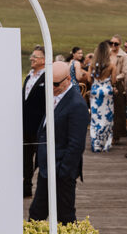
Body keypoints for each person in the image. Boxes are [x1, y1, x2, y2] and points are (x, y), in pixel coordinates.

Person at [29, 61, 89, 224]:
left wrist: (63, 172)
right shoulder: (53, 97)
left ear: (68, 79)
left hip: (61, 171)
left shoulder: (76, 105)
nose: (52, 87)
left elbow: (76, 145)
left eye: (55, 84)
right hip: (46, 168)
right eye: (48, 83)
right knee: (36, 212)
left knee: (65, 216)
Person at [22, 45, 46, 197]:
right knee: (25, 157)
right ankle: (26, 186)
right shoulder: (29, 76)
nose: (32, 58)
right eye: (32, 56)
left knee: (41, 157)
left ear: (43, 60)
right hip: (25, 125)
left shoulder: (47, 78)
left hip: (39, 125)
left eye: (35, 57)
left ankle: (43, 189)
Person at [88, 40, 115, 152]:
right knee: (107, 118)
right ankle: (106, 144)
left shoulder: (92, 65)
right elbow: (113, 80)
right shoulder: (111, 65)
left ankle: (96, 143)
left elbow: (89, 79)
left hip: (95, 91)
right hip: (107, 93)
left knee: (95, 118)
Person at [109, 35, 127, 143]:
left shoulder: (124, 56)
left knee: (118, 110)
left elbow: (125, 72)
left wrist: (115, 78)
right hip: (106, 83)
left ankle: (115, 135)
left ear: (119, 44)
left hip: (118, 84)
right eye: (111, 43)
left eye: (115, 44)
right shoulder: (107, 53)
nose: (113, 45)